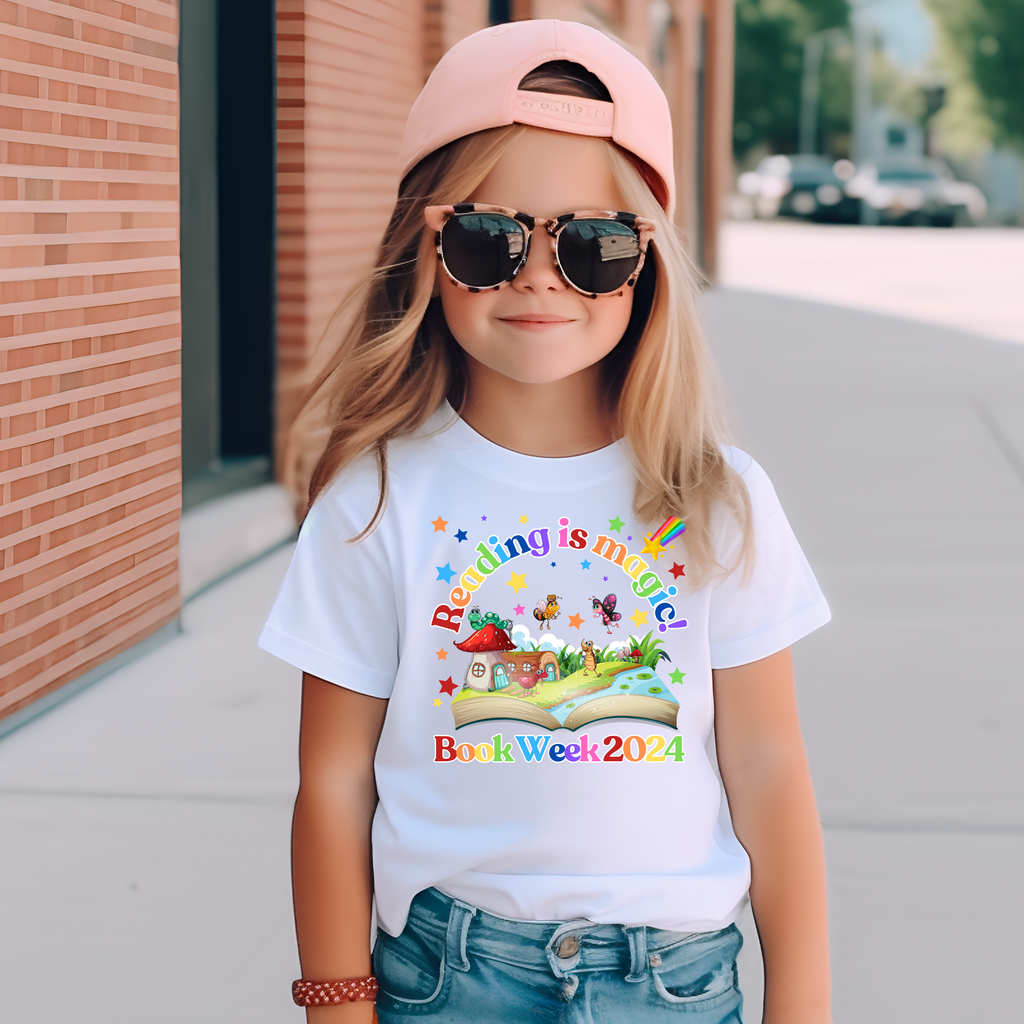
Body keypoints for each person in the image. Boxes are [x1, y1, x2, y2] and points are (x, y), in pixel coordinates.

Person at [259, 19, 833, 1024]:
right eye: (489, 238)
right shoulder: (376, 500)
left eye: (592, 245)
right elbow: (334, 778)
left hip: (675, 980)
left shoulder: (717, 497)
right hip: (448, 975)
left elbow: (766, 762)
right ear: (427, 245)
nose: (539, 275)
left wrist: (805, 1002)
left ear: (644, 261)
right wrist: (335, 1002)